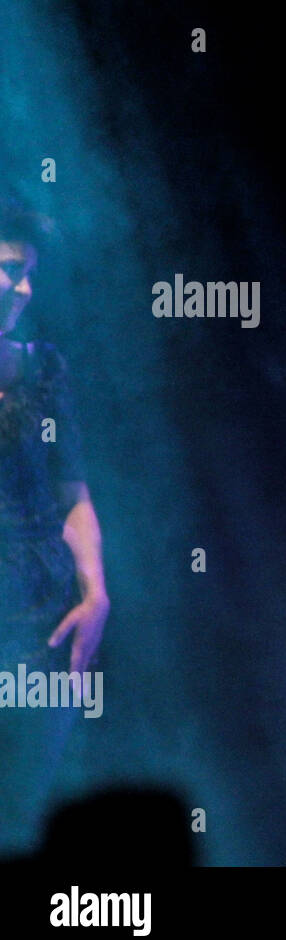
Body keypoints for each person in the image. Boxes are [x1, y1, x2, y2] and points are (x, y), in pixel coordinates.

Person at [0, 199, 110, 853]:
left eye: (31, 272)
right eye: (12, 269)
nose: (26, 288)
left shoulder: (43, 367)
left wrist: (95, 594)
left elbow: (74, 495)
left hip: (42, 605)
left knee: (22, 808)